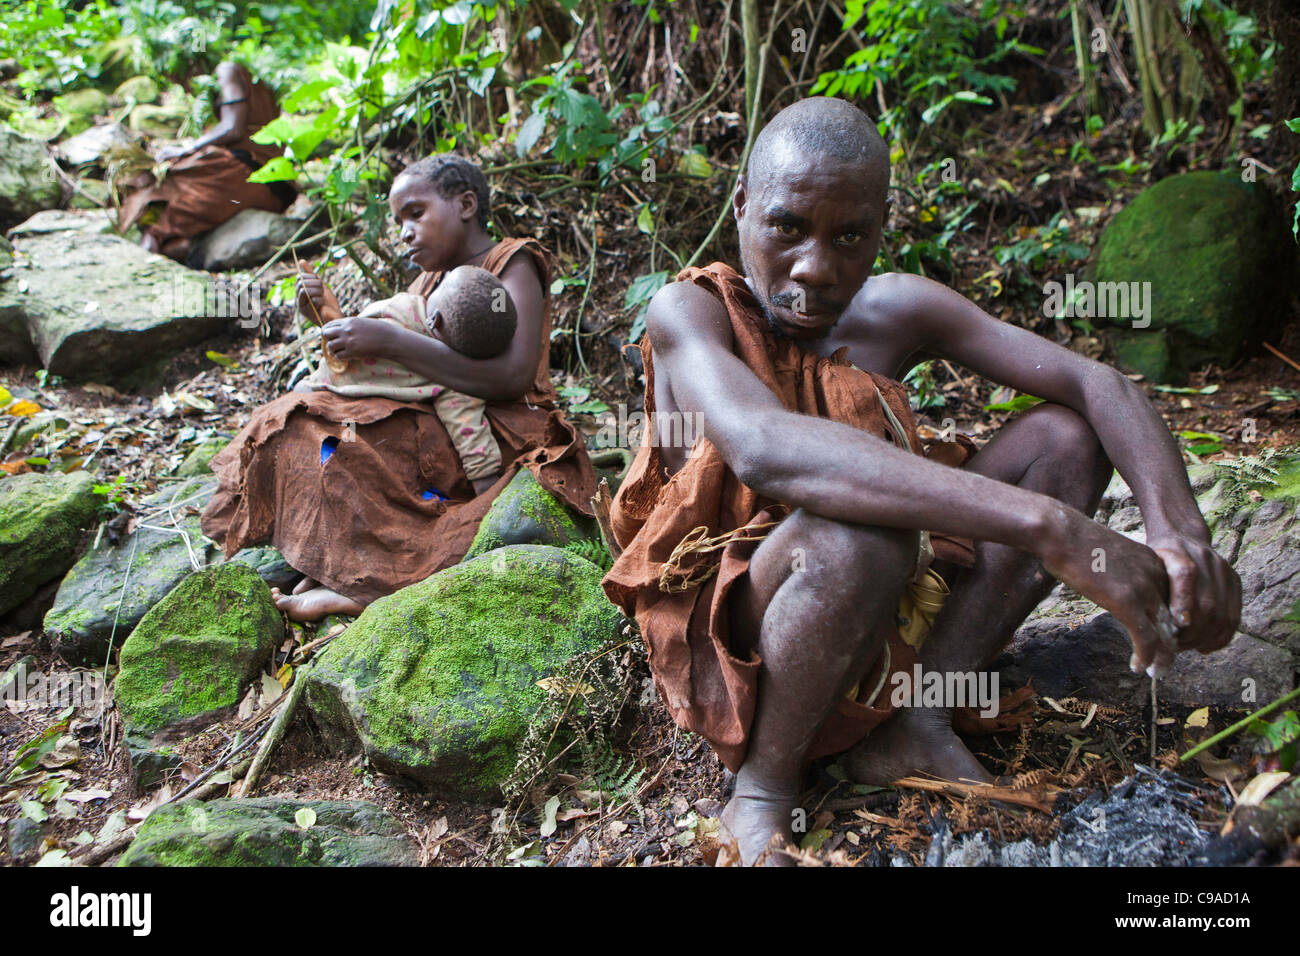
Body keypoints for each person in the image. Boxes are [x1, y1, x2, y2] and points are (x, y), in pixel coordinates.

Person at [600, 97, 1240, 866]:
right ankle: (765, 788)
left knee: (1063, 440)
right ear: (740, 207)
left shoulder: (897, 310)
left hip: (875, 611)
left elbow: (1097, 383)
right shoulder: (687, 313)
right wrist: (1053, 527)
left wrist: (1180, 536)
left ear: (880, 225)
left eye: (850, 236)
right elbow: (769, 451)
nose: (816, 267)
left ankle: (920, 716)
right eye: (787, 227)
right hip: (743, 639)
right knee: (854, 531)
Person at [202, 153, 597, 621]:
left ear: (466, 204)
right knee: (297, 422)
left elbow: (511, 376)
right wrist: (329, 317)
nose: (404, 232)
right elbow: (391, 368)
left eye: (416, 213)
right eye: (397, 221)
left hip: (495, 429)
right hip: (428, 413)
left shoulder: (511, 263)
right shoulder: (429, 280)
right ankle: (340, 559)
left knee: (347, 447)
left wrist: (389, 340)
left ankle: (366, 582)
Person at [299, 264, 518, 496]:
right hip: (336, 405)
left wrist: (327, 314)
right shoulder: (454, 380)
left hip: (319, 387)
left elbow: (343, 336)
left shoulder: (398, 306)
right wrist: (487, 483)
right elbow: (469, 432)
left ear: (435, 320)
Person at [118, 61, 295, 262]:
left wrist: (187, 149)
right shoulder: (257, 73)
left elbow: (232, 127)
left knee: (158, 188)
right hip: (276, 187)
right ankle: (170, 247)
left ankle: (148, 246)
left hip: (245, 174)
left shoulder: (227, 69)